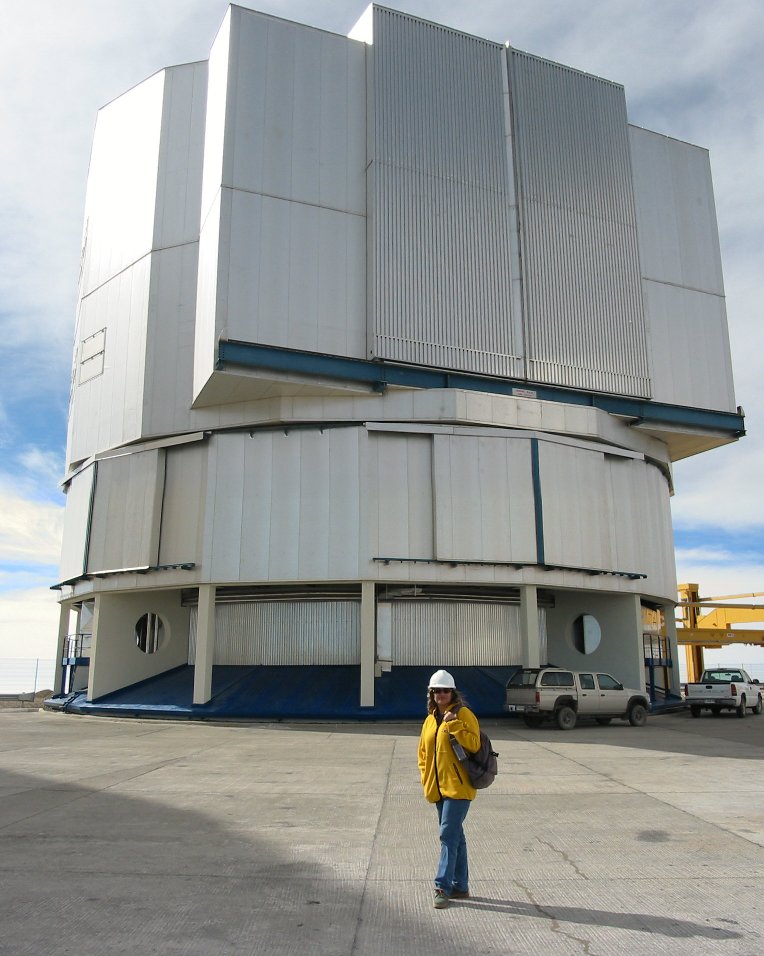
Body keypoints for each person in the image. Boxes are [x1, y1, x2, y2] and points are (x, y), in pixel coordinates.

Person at [417, 668, 481, 909]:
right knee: (456, 837)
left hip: (459, 788)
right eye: (436, 691)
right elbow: (423, 752)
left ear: (452, 692)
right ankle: (461, 886)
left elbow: (474, 745)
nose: (440, 694)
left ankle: (442, 887)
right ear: (431, 694)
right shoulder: (429, 720)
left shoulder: (465, 715)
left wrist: (455, 726)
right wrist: (426, 777)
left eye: (445, 690)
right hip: (438, 788)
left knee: (447, 835)